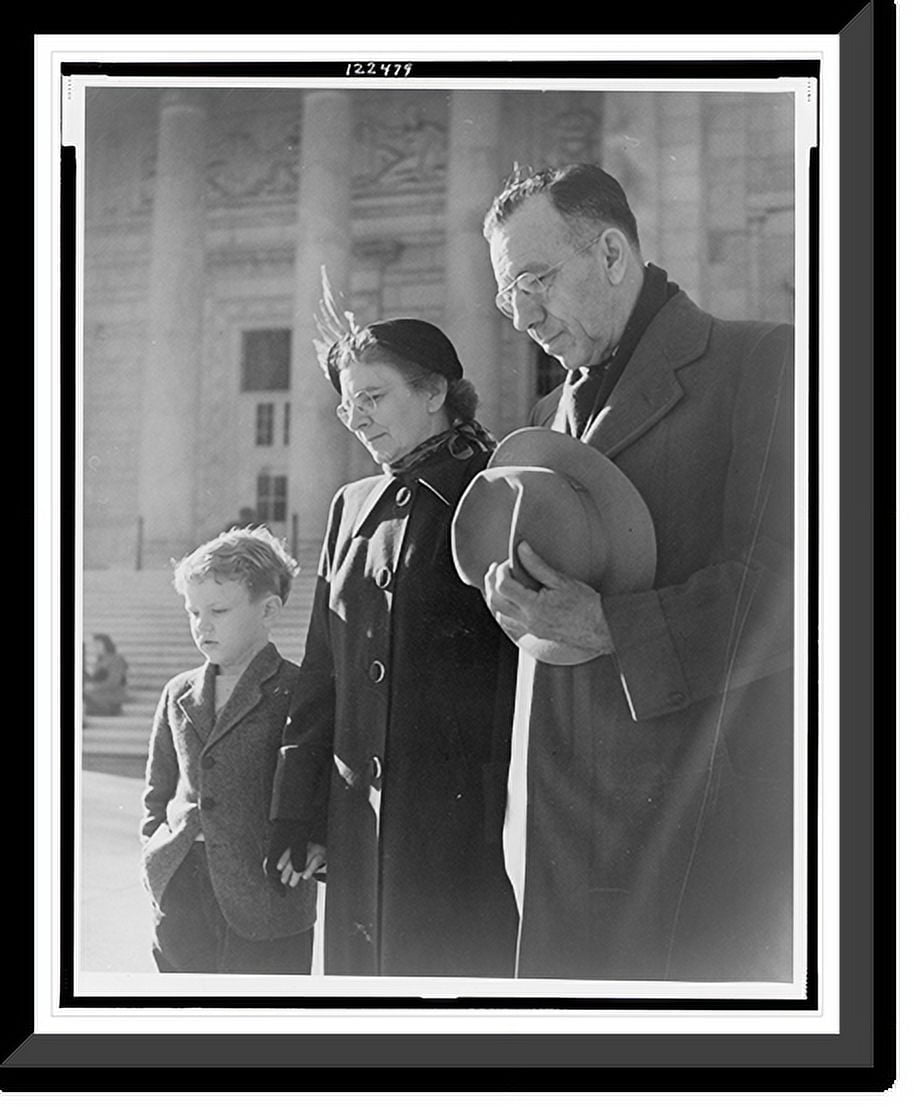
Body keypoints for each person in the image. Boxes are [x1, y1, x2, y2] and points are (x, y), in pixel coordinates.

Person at [479, 163, 795, 981]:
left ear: (613, 254)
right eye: (508, 297)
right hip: (558, 835)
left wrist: (607, 625)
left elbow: (800, 594)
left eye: (534, 283)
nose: (523, 318)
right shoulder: (550, 416)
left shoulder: (763, 363)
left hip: (691, 844)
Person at [266, 297, 518, 978]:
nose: (358, 418)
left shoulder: (500, 490)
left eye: (374, 396)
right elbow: (324, 669)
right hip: (359, 834)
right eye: (350, 405)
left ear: (435, 391)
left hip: (463, 834)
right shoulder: (352, 504)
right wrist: (299, 813)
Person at [140, 527, 315, 974]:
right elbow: (158, 789)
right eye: (193, 612)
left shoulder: (297, 689)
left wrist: (317, 839)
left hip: (265, 896)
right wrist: (157, 853)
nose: (203, 625)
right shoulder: (177, 691)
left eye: (218, 610)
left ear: (269, 609)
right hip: (182, 890)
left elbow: (316, 779)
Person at [83, 633, 128, 717]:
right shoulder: (100, 660)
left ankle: (109, 709)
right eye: (94, 645)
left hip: (111, 693)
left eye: (98, 645)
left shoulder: (116, 659)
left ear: (106, 644)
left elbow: (114, 681)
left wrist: (94, 687)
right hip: (100, 692)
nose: (95, 648)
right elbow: (96, 678)